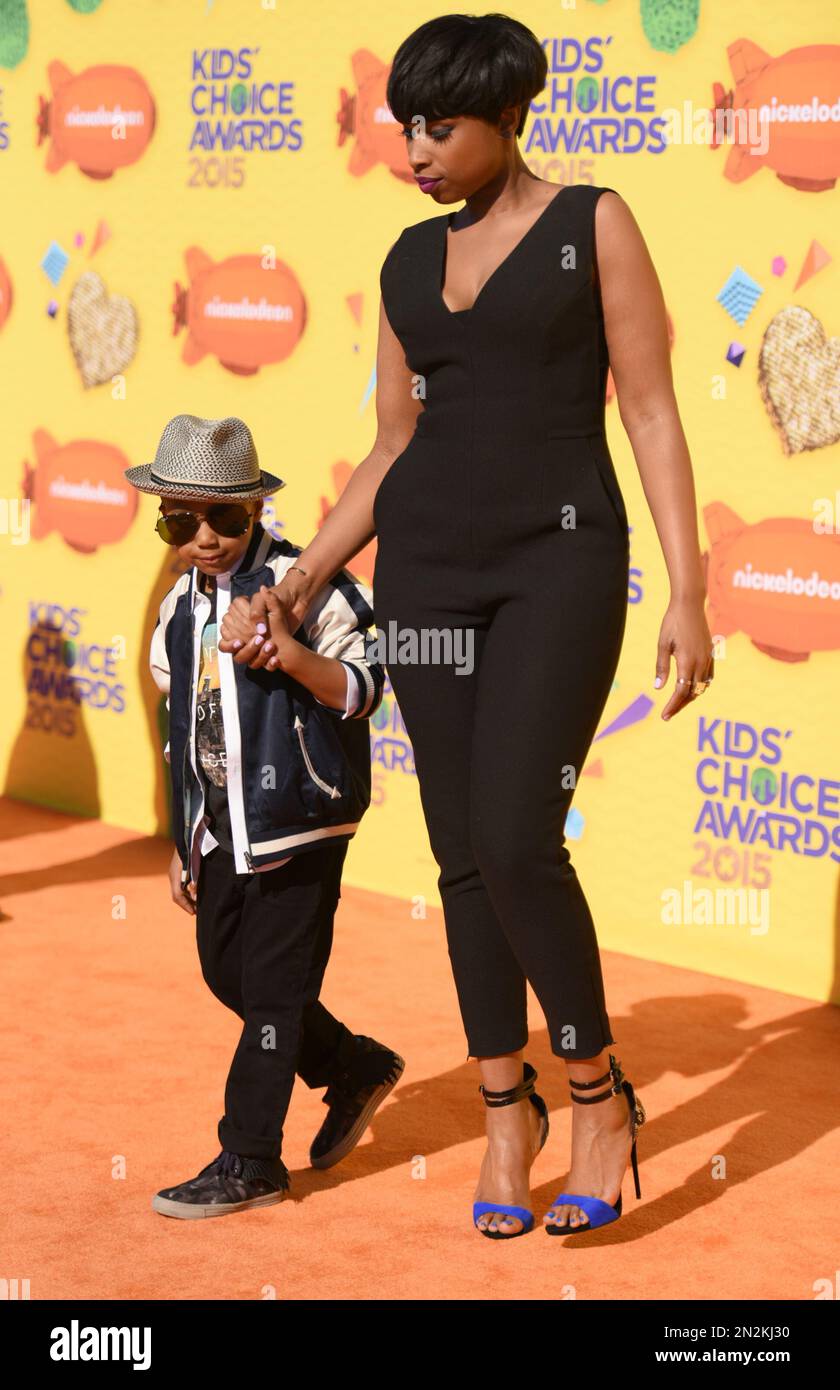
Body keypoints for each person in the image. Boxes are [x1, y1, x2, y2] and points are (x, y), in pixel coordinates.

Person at [220, 13, 715, 1238]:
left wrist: (690, 590)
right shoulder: (401, 262)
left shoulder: (593, 224)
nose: (418, 150)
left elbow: (650, 411)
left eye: (441, 127)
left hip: (561, 564)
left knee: (514, 834)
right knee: (456, 851)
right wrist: (301, 577)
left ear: (511, 117)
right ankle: (510, 1112)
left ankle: (596, 1094)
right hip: (427, 581)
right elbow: (393, 446)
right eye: (406, 128)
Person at [125, 413, 404, 1220]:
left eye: (225, 517)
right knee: (229, 974)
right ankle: (352, 1065)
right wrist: (186, 839)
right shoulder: (178, 609)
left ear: (256, 510)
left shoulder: (304, 585)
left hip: (301, 821)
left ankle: (251, 1157)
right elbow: (183, 728)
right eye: (181, 519)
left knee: (275, 994)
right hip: (222, 829)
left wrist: (291, 652)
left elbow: (363, 691)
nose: (204, 538)